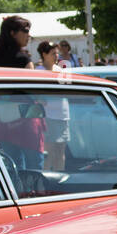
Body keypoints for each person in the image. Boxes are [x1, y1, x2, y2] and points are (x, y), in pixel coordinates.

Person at [36, 42, 71, 171]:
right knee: (48, 153)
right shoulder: (38, 71)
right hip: (46, 117)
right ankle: (45, 183)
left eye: (57, 53)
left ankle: (59, 181)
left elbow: (67, 90)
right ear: (44, 54)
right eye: (53, 53)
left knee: (60, 152)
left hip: (62, 116)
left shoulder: (61, 70)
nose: (56, 56)